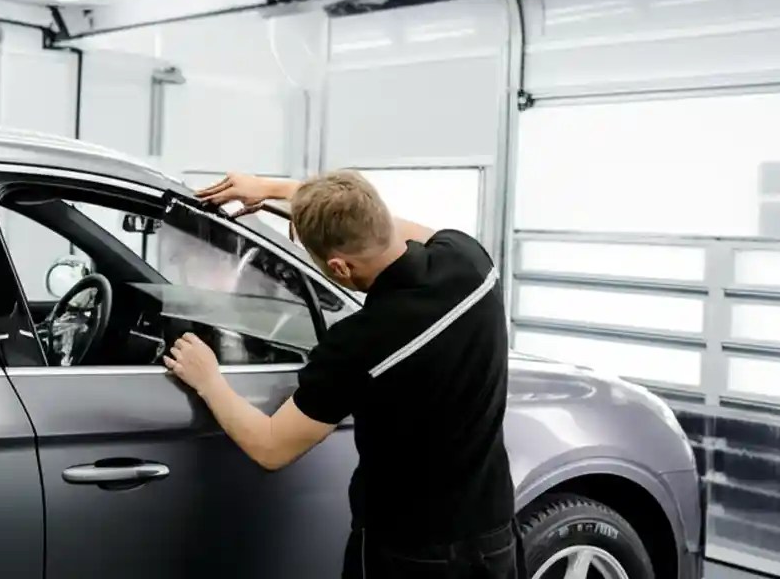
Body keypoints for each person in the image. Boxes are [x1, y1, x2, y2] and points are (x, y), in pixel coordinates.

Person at [165, 171, 517, 579]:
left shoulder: (358, 344)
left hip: (409, 551)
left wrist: (209, 379)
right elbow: (370, 224)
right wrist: (278, 190)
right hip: (494, 533)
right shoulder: (470, 260)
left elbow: (271, 447)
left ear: (339, 268)